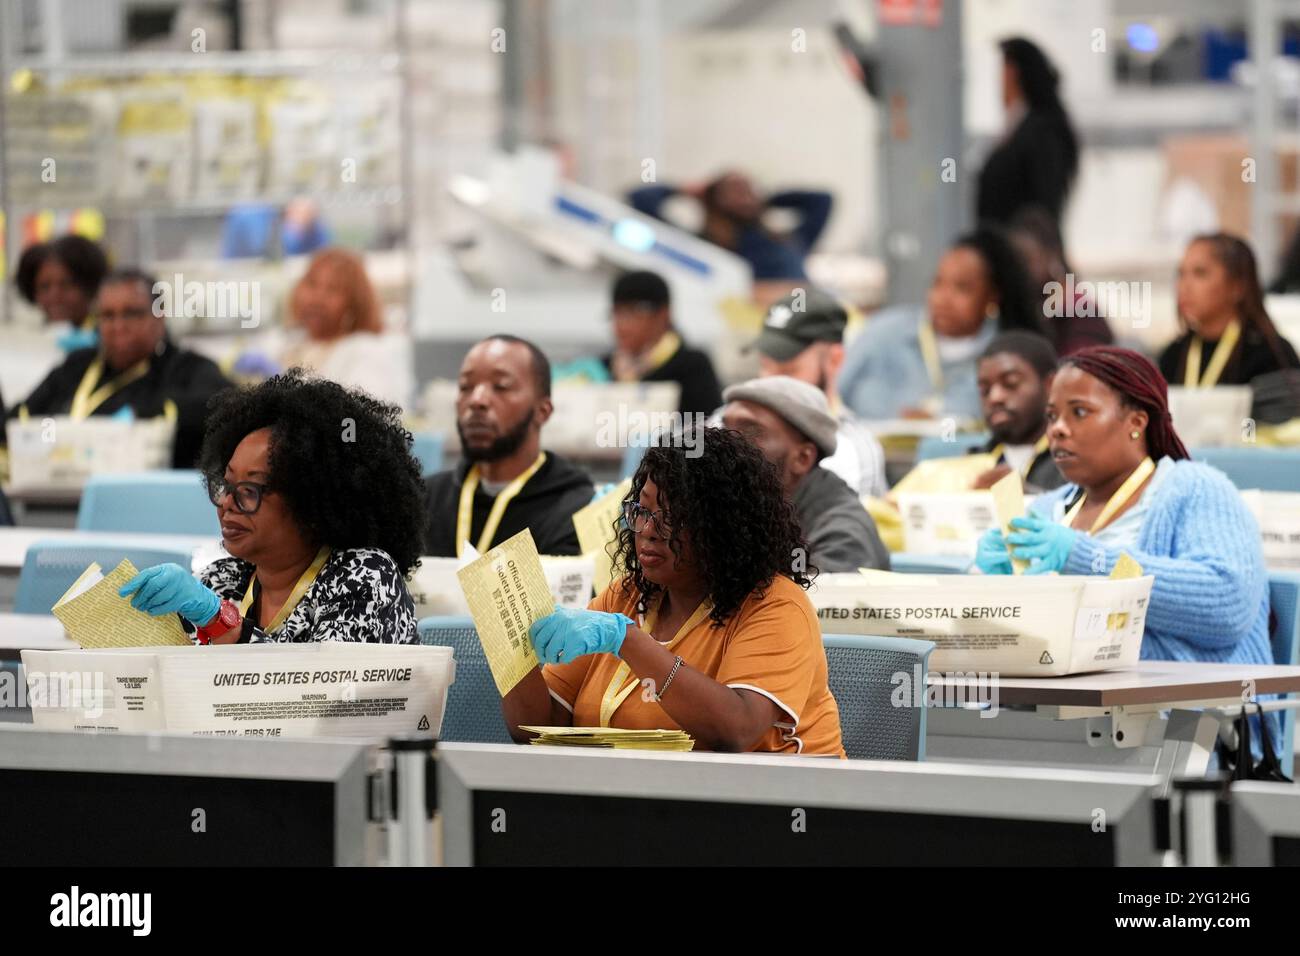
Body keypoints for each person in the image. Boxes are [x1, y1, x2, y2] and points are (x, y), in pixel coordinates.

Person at [502, 426, 845, 756]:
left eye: (671, 518)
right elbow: (537, 728)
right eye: (642, 511)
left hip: (770, 805)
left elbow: (735, 730)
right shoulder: (625, 595)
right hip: (637, 801)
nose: (647, 531)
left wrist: (628, 640)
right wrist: (512, 646)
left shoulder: (776, 606)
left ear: (723, 529)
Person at [975, 347, 1275, 672]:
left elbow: (1228, 606)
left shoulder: (1197, 488)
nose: (1057, 429)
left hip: (1189, 709)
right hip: (1062, 700)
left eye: (1079, 412)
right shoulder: (1050, 508)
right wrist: (993, 585)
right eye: (1051, 416)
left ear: (1135, 423)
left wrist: (1082, 558)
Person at [119, 370, 423, 643]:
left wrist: (217, 620)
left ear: (312, 501)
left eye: (249, 490)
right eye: (226, 485)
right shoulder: (220, 581)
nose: (226, 503)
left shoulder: (362, 576)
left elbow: (316, 693)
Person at [5, 269, 232, 468]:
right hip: (50, 501)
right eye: (107, 316)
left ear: (159, 317)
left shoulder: (186, 369)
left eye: (131, 313)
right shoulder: (76, 367)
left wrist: (144, 415)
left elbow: (228, 409)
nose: (118, 326)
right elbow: (19, 420)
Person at [838, 226, 1042, 420]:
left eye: (962, 288)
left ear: (993, 296)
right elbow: (835, 391)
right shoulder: (885, 333)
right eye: (938, 283)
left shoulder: (1008, 358)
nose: (943, 298)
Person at [424, 335, 595, 557]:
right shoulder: (424, 499)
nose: (477, 400)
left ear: (542, 411)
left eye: (501, 386)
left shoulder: (576, 510)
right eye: (466, 387)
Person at [721, 376, 889, 573]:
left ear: (802, 457)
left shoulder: (841, 536)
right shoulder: (734, 509)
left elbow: (815, 600)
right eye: (725, 428)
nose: (724, 443)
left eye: (750, 431)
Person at [750, 288, 887, 498]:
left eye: (788, 371)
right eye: (765, 366)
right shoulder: (727, 420)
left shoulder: (850, 450)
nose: (770, 384)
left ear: (834, 360)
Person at [1158, 234, 1300, 406]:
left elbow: (1280, 427)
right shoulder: (1174, 354)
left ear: (1237, 286)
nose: (1184, 286)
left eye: (1200, 273)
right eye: (1181, 274)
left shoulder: (1269, 355)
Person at [269, 248, 413, 408]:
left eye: (332, 290)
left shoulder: (366, 352)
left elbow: (359, 417)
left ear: (354, 303)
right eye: (312, 284)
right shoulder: (287, 343)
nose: (317, 298)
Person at [628, 171, 832, 281]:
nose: (746, 195)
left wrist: (767, 199)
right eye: (734, 190)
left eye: (749, 189)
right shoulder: (704, 248)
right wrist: (687, 190)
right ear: (714, 200)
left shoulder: (787, 240)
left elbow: (822, 201)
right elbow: (641, 199)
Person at [976, 37, 1080, 228]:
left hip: (1024, 252)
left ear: (1014, 74)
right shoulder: (1019, 127)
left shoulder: (1042, 132)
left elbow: (1044, 205)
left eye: (1003, 73)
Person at [603, 270, 723, 416]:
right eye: (617, 313)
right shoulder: (603, 367)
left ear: (663, 314)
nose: (621, 325)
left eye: (633, 312)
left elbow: (708, 428)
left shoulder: (692, 367)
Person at [1007, 205, 1113, 355]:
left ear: (1053, 256)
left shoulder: (1079, 311)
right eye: (1013, 262)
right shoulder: (1019, 307)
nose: (1018, 270)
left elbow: (1081, 367)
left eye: (1026, 260)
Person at [971, 331, 1065, 493]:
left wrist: (1026, 497)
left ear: (1051, 385)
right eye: (985, 390)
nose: (995, 397)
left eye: (1010, 383)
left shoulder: (1073, 461)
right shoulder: (971, 462)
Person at [14, 234, 109, 351]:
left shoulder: (106, 340)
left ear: (90, 286)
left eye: (66, 285)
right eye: (44, 287)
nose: (55, 296)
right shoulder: (30, 342)